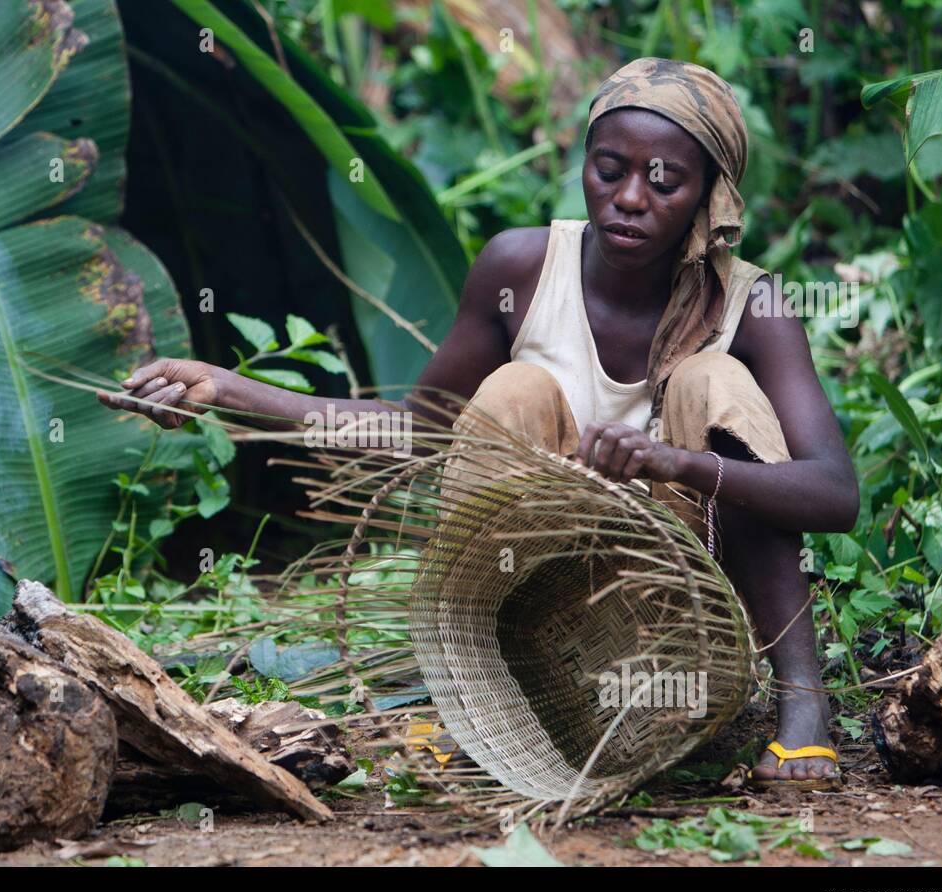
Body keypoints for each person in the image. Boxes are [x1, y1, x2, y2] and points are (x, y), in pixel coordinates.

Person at [99, 58, 860, 789]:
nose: (631, 197)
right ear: (584, 165)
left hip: (685, 618)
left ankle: (801, 700)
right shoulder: (520, 271)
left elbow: (834, 494)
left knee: (712, 379)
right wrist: (232, 389)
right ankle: (475, 690)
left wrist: (678, 464)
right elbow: (418, 431)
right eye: (609, 169)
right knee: (515, 390)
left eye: (666, 181)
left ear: (708, 195)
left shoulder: (753, 305)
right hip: (553, 616)